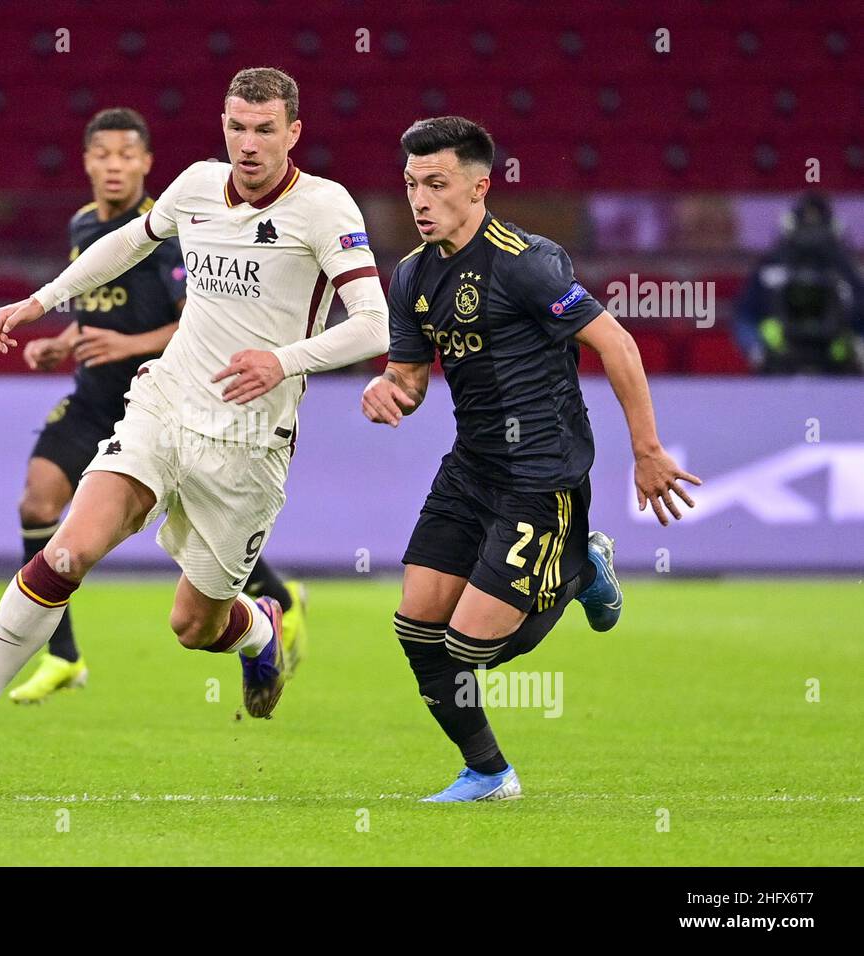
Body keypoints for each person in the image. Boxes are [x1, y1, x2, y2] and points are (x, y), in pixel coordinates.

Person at [0, 67, 389, 768]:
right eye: (236, 127)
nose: (248, 144)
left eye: (263, 130)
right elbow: (129, 242)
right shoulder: (195, 187)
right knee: (65, 553)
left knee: (194, 626)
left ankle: (259, 630)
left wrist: (283, 362)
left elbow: (375, 327)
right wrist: (42, 300)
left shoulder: (325, 208)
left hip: (250, 441)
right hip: (164, 406)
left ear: (293, 133)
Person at [362, 116, 702, 802]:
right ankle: (489, 773)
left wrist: (647, 452)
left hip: (542, 476)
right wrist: (387, 390)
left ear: (480, 187)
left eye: (436, 183)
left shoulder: (526, 260)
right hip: (471, 468)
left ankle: (581, 567)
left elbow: (619, 347)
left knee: (473, 651)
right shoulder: (411, 277)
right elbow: (411, 378)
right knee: (416, 629)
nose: (420, 200)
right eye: (410, 185)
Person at [9, 107, 307, 703]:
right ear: (87, 161)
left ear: (147, 164)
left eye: (127, 155)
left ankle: (273, 598)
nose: (114, 165)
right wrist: (61, 343)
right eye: (103, 154)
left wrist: (125, 345)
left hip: (169, 403)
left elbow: (194, 324)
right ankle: (62, 655)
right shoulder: (83, 227)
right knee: (39, 498)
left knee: (198, 553)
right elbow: (101, 308)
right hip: (96, 399)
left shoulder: (174, 228)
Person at [734, 193, 864, 374]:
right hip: (779, 362)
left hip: (837, 364)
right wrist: (757, 350)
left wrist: (859, 349)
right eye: (806, 225)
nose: (811, 233)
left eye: (818, 225)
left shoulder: (844, 268)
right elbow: (745, 316)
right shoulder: (772, 264)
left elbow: (860, 315)